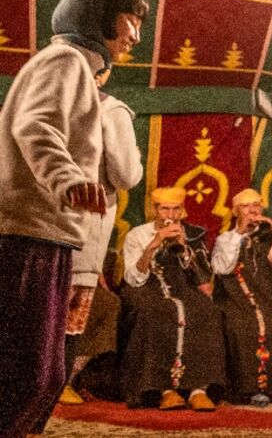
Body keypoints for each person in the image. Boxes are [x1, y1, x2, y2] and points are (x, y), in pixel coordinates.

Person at [0, 0, 144, 437]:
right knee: (29, 372)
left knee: (41, 373)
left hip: (48, 232)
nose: (135, 37)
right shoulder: (65, 60)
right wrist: (69, 180)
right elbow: (35, 126)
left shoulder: (72, 65)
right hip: (30, 232)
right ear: (100, 16)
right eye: (129, 21)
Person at [58, 72, 145, 406]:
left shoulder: (38, 103)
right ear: (102, 72)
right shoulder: (110, 111)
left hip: (37, 229)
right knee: (71, 317)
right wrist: (134, 156)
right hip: (83, 229)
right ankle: (57, 386)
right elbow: (125, 174)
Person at [120, 186, 224, 410]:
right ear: (155, 210)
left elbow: (201, 278)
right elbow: (132, 277)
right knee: (155, 311)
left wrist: (185, 248)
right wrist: (154, 244)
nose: (170, 215)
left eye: (176, 209)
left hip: (181, 288)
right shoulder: (136, 235)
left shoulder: (191, 234)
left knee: (207, 310)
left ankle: (198, 389)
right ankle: (163, 389)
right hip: (145, 287)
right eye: (165, 209)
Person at [211, 189, 272, 404]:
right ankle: (246, 388)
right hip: (236, 296)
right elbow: (223, 268)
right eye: (246, 206)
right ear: (236, 212)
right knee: (244, 325)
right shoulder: (227, 238)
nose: (253, 210)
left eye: (257, 205)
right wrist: (240, 234)